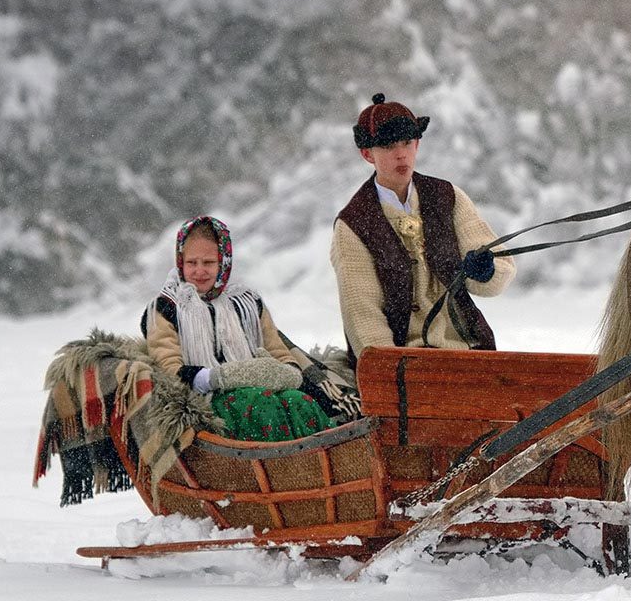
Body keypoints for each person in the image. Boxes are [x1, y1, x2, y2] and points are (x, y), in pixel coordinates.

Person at [330, 92, 515, 358]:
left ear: (417, 144)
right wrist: (389, 371)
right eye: (388, 147)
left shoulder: (448, 197)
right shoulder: (354, 224)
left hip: (470, 351)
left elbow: (498, 275)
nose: (401, 155)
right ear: (367, 154)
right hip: (406, 363)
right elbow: (363, 316)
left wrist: (485, 271)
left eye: (407, 143)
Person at [143, 215, 334, 441]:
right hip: (204, 397)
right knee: (259, 406)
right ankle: (279, 469)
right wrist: (217, 377)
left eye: (209, 263)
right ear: (180, 262)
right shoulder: (167, 307)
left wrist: (285, 373)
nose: (199, 271)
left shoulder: (246, 303)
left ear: (223, 262)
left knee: (301, 403)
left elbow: (277, 350)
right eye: (192, 263)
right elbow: (167, 365)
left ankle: (323, 463)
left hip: (261, 385)